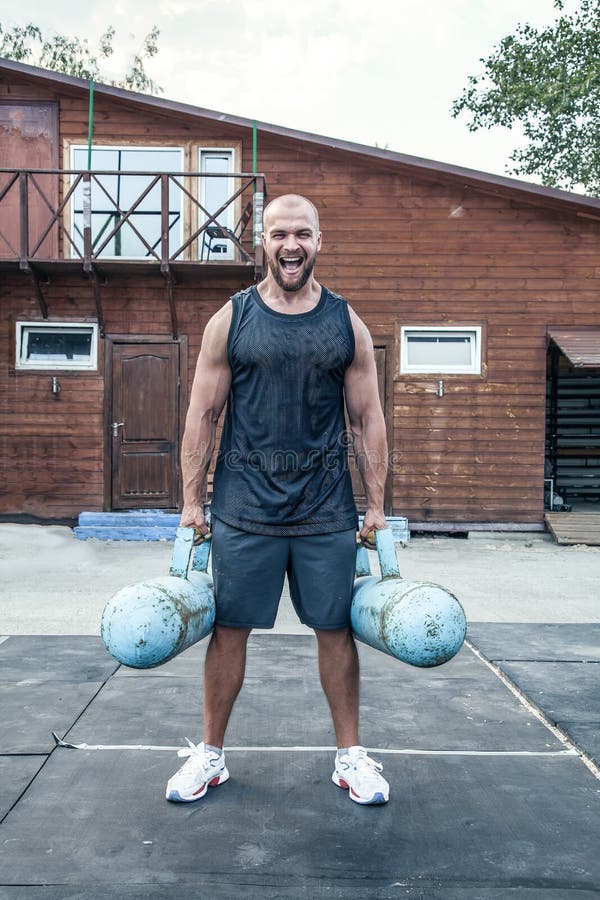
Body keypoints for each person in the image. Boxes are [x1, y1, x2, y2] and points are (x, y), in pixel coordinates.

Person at [166, 194, 390, 805]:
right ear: (261, 241)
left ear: (320, 241)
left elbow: (367, 418)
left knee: (335, 631)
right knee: (228, 631)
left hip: (324, 510)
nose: (292, 245)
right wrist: (192, 501)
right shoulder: (231, 320)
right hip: (244, 509)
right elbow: (202, 414)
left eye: (304, 234)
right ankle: (210, 756)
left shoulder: (347, 323)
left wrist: (374, 506)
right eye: (280, 234)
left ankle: (350, 758)